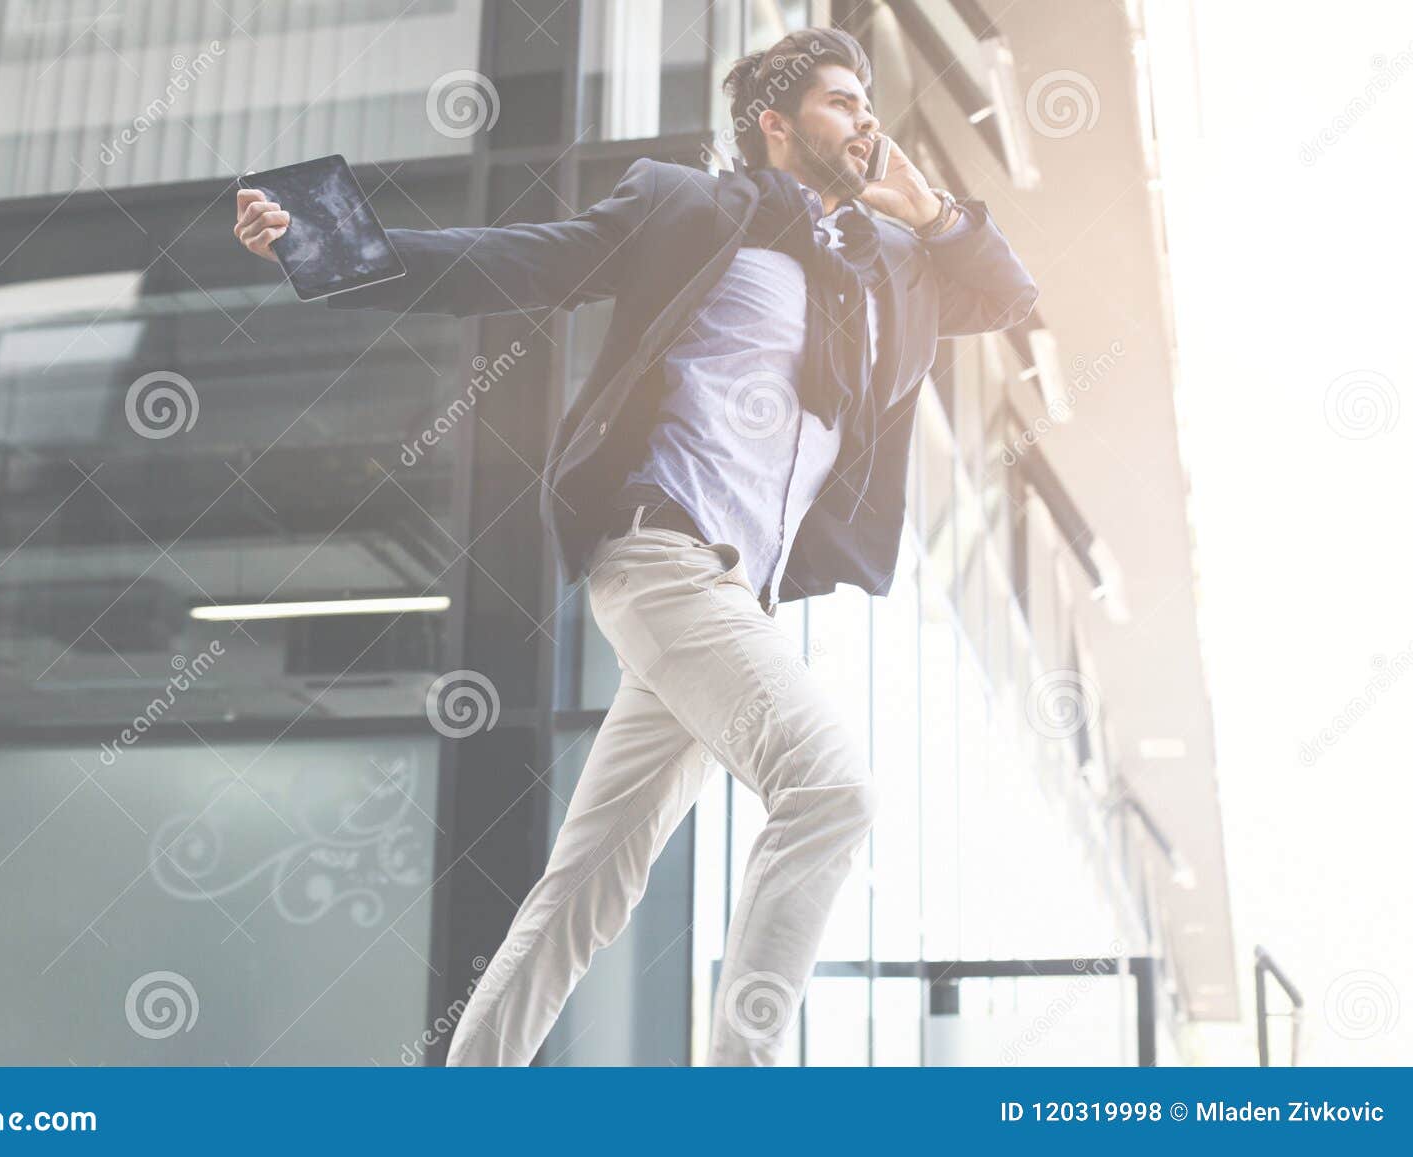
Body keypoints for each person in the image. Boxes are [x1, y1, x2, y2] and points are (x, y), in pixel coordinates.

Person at [235, 26, 1037, 1066]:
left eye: (865, 102)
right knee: (830, 788)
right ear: (774, 126)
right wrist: (315, 239)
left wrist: (927, 210)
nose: (864, 119)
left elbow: (1011, 297)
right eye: (840, 101)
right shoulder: (691, 208)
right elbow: (511, 263)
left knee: (588, 881)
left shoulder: (889, 268)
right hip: (663, 555)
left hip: (734, 597)